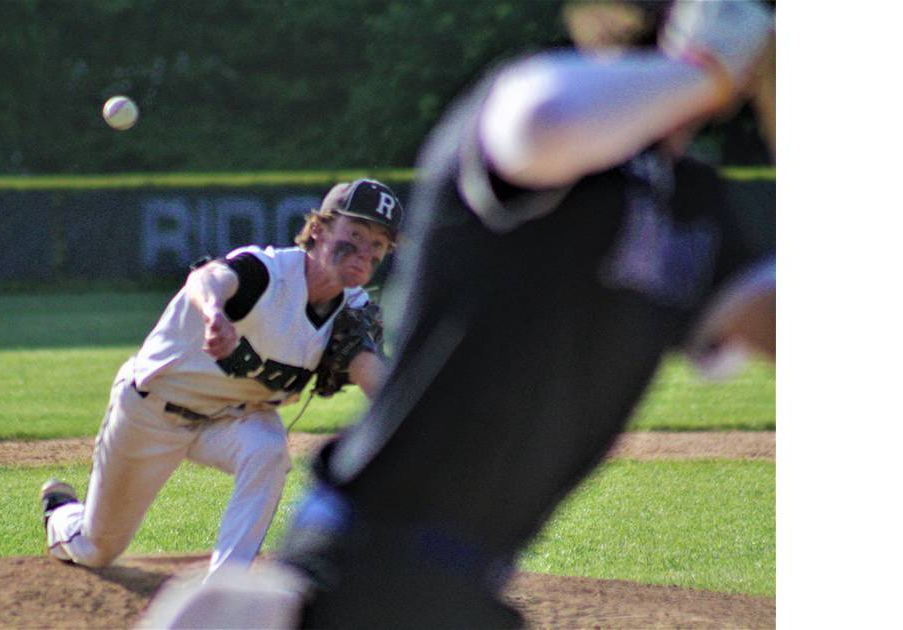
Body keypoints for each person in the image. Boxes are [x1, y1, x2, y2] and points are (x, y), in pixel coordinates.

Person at [140, 1, 775, 627]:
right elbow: (542, 119)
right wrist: (707, 73)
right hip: (365, 557)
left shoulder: (693, 202)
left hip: (466, 583)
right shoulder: (527, 112)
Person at [40, 178, 403, 579]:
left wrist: (422, 414)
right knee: (98, 548)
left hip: (232, 419)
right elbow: (208, 278)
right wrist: (213, 314)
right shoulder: (267, 273)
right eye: (355, 234)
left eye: (379, 245)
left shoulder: (352, 309)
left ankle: (224, 589)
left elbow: (370, 370)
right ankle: (62, 514)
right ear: (318, 229)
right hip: (152, 412)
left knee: (268, 449)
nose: (365, 252)